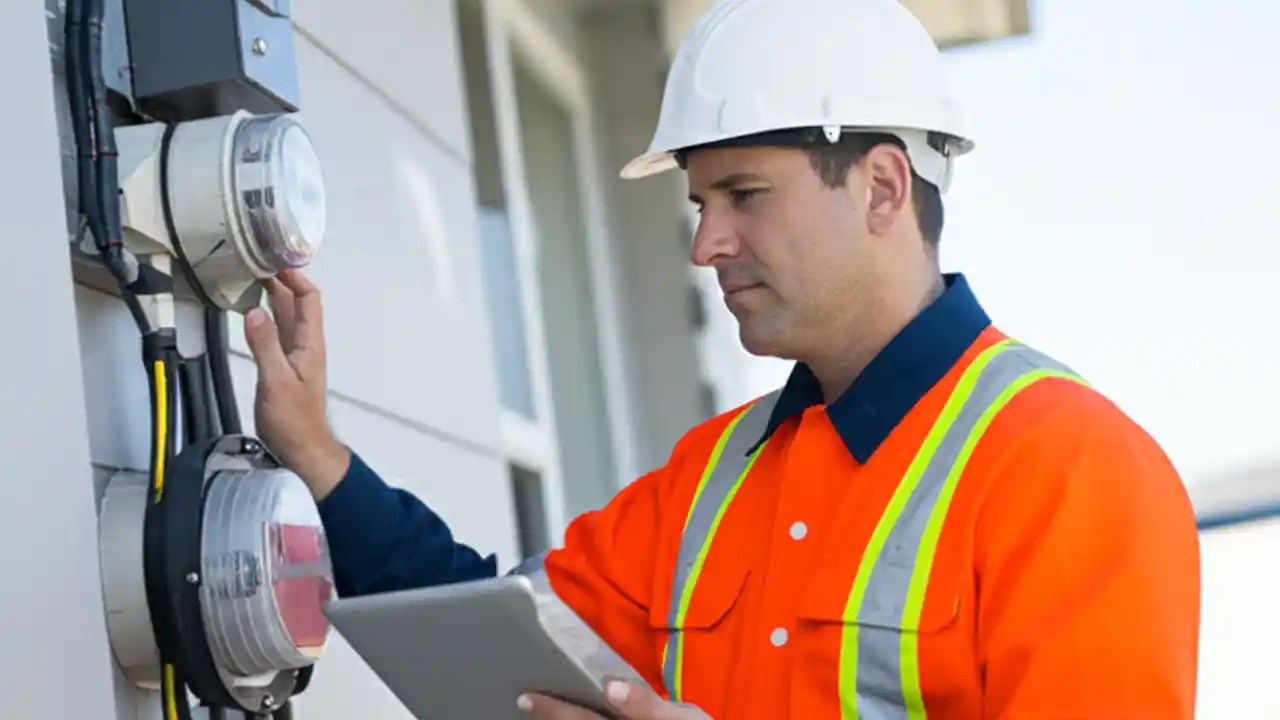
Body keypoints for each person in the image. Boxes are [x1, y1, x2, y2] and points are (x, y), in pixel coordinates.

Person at [242, 0, 1202, 717]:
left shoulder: (1073, 469)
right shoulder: (708, 482)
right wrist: (316, 454)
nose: (707, 244)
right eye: (701, 204)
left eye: (744, 194)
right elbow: (489, 638)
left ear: (880, 187)